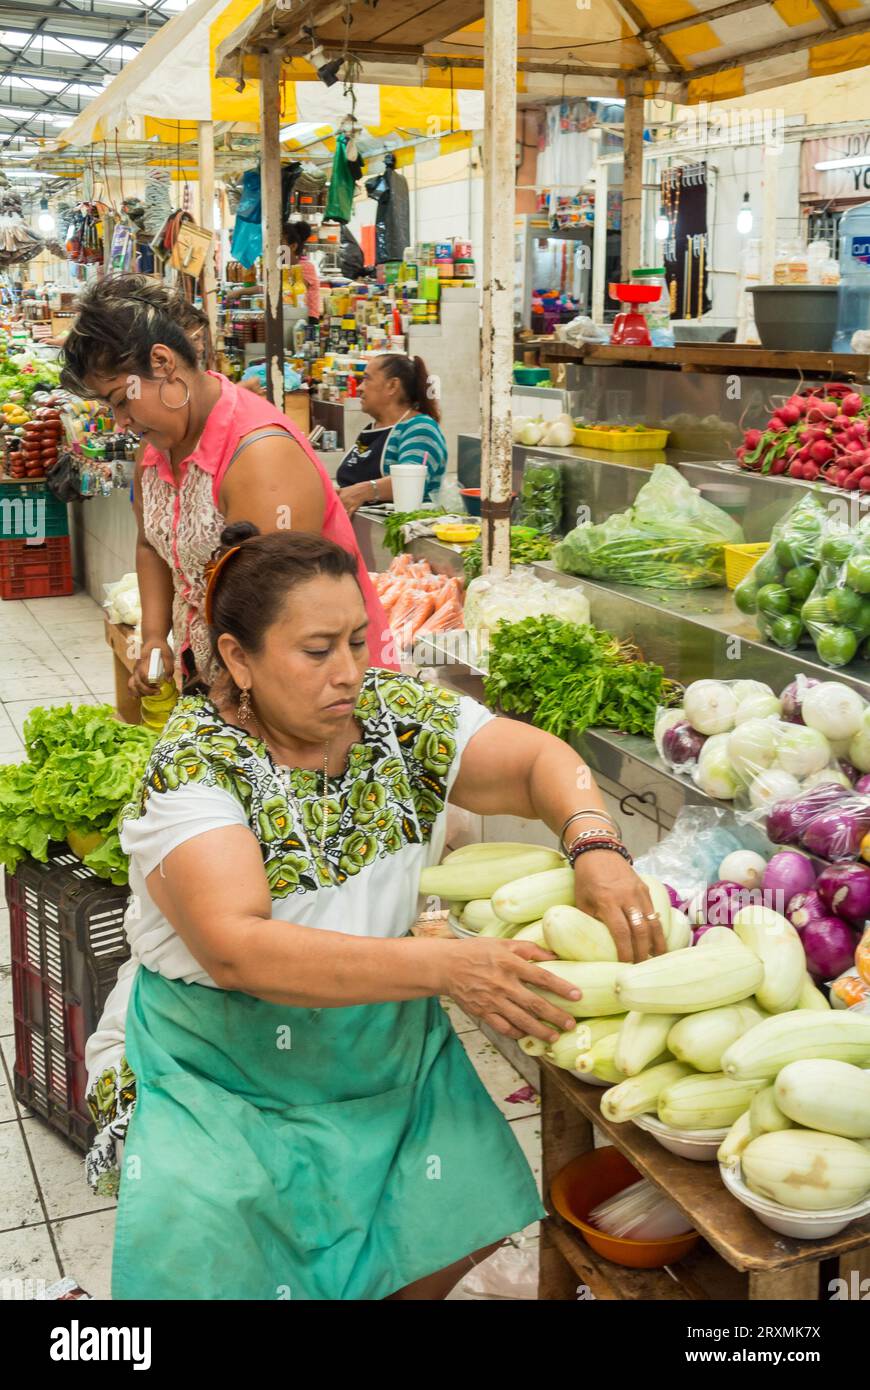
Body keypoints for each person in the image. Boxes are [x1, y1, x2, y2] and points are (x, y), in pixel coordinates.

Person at [84, 525, 663, 1301]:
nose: (349, 672)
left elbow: (535, 761)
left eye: (358, 641)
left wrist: (594, 843)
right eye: (317, 650)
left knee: (438, 1223)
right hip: (222, 1072)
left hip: (379, 1049)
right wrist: (448, 967)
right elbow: (236, 949)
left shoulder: (396, 718)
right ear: (236, 658)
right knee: (234, 1263)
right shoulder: (198, 761)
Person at [59, 274, 395, 693]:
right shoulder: (157, 446)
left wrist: (224, 710)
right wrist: (154, 640)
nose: (121, 420)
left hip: (306, 690)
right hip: (221, 675)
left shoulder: (260, 455)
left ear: (163, 363)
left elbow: (280, 612)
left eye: (121, 400)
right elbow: (151, 544)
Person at [336, 353, 448, 517]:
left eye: (367, 379)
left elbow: (412, 480)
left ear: (392, 386)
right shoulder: (372, 429)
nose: (359, 388)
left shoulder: (420, 428)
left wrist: (365, 491)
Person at [283, 218, 322, 323]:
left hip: (307, 322)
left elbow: (291, 290)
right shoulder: (284, 267)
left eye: (280, 243)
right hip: (291, 318)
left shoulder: (306, 267)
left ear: (293, 246)